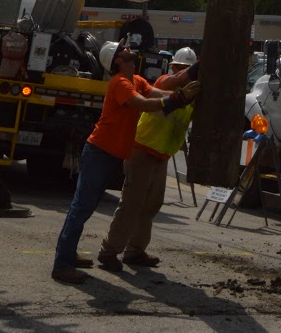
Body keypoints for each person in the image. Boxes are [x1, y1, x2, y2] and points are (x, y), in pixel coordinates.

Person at [51, 40, 194, 284]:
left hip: (109, 154)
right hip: (100, 152)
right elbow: (145, 104)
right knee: (81, 208)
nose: (130, 49)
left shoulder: (136, 80)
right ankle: (62, 264)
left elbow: (155, 94)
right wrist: (177, 100)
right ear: (117, 60)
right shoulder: (120, 83)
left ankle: (69, 256)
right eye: (124, 49)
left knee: (84, 206)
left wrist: (181, 91)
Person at [97, 46, 199, 271]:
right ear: (173, 68)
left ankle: (135, 250)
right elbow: (173, 84)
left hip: (161, 154)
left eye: (186, 69)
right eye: (180, 69)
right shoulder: (164, 82)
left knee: (151, 204)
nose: (182, 73)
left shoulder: (191, 93)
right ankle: (109, 251)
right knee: (132, 203)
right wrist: (201, 68)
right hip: (142, 149)